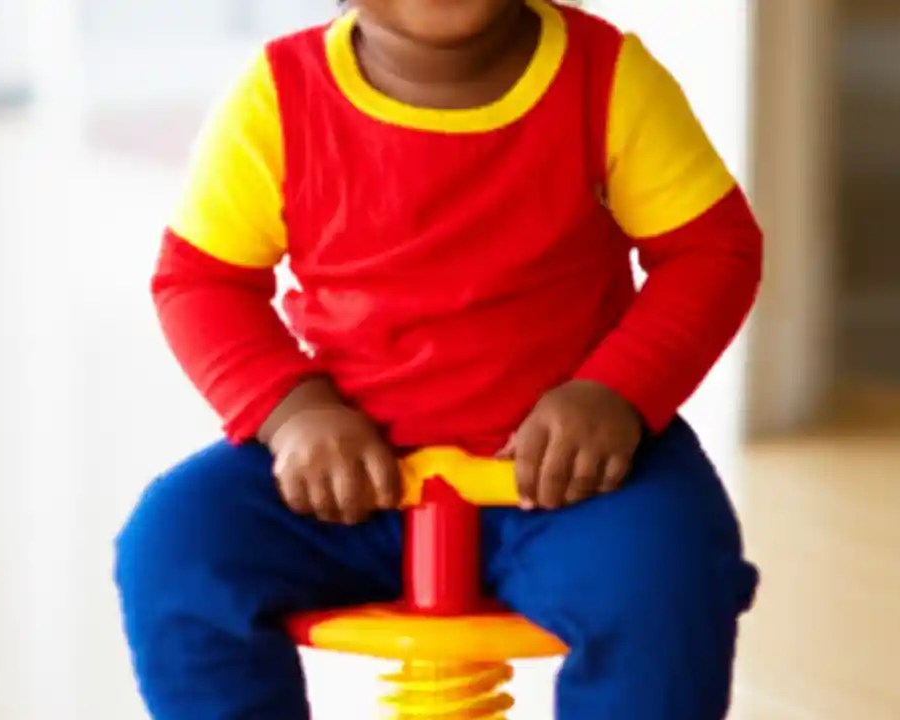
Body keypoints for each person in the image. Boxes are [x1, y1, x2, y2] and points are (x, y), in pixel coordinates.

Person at [115, 0, 763, 717]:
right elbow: (202, 279)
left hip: (573, 476)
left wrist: (615, 392)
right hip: (349, 480)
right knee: (176, 543)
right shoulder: (278, 95)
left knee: (668, 571)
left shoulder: (608, 77)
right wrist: (294, 414)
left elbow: (712, 251)